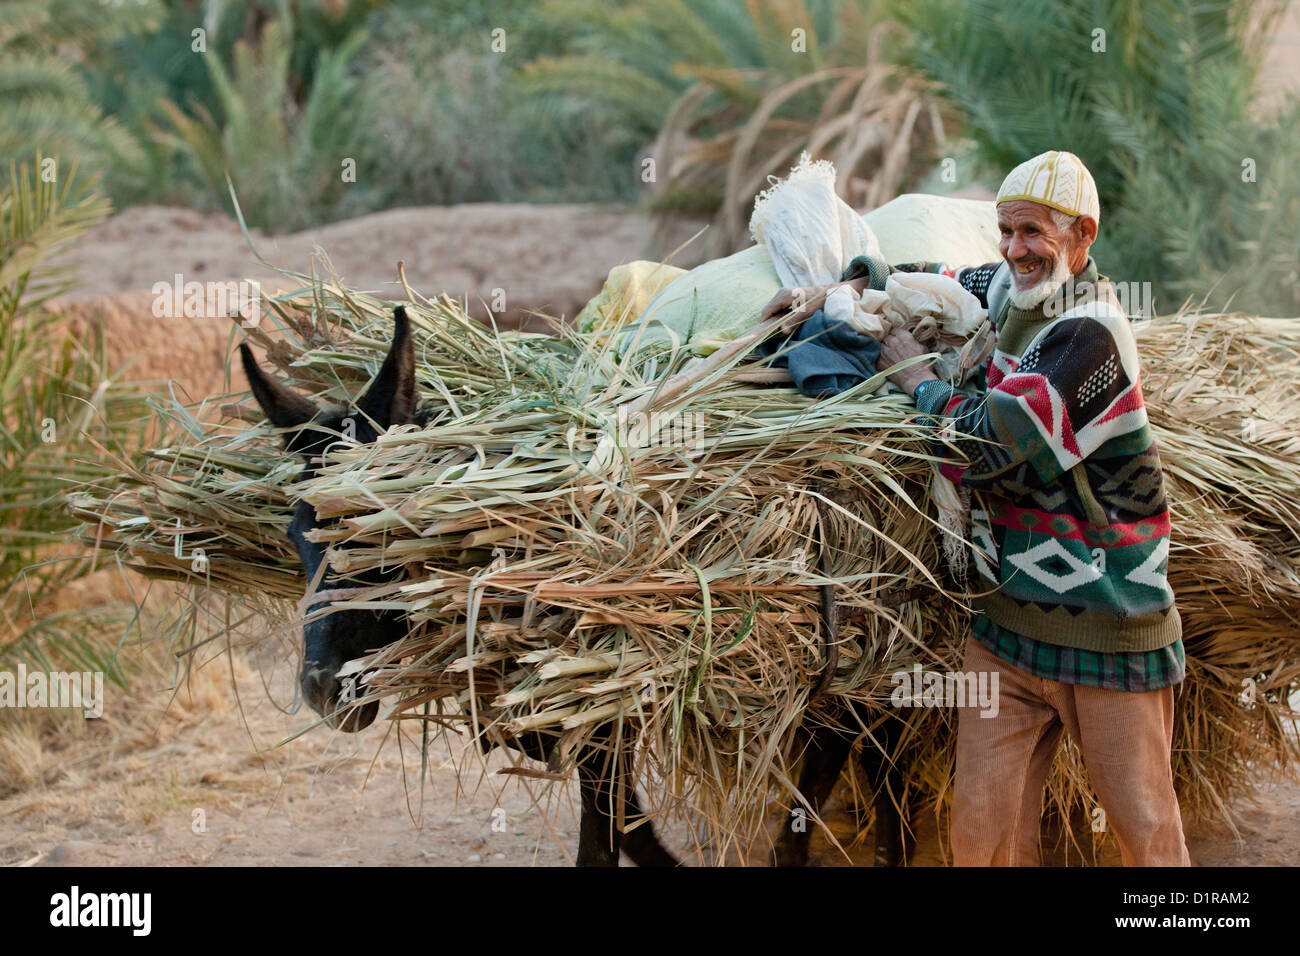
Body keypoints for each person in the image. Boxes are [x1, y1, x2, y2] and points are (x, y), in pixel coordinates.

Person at [876, 150, 1190, 865]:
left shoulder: (1091, 335)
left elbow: (994, 446)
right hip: (1008, 628)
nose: (1016, 250)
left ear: (1082, 236)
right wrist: (851, 285)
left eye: (1034, 233)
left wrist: (916, 378)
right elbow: (942, 276)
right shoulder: (1010, 294)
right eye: (1006, 231)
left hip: (1107, 623)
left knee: (1146, 837)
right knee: (982, 837)